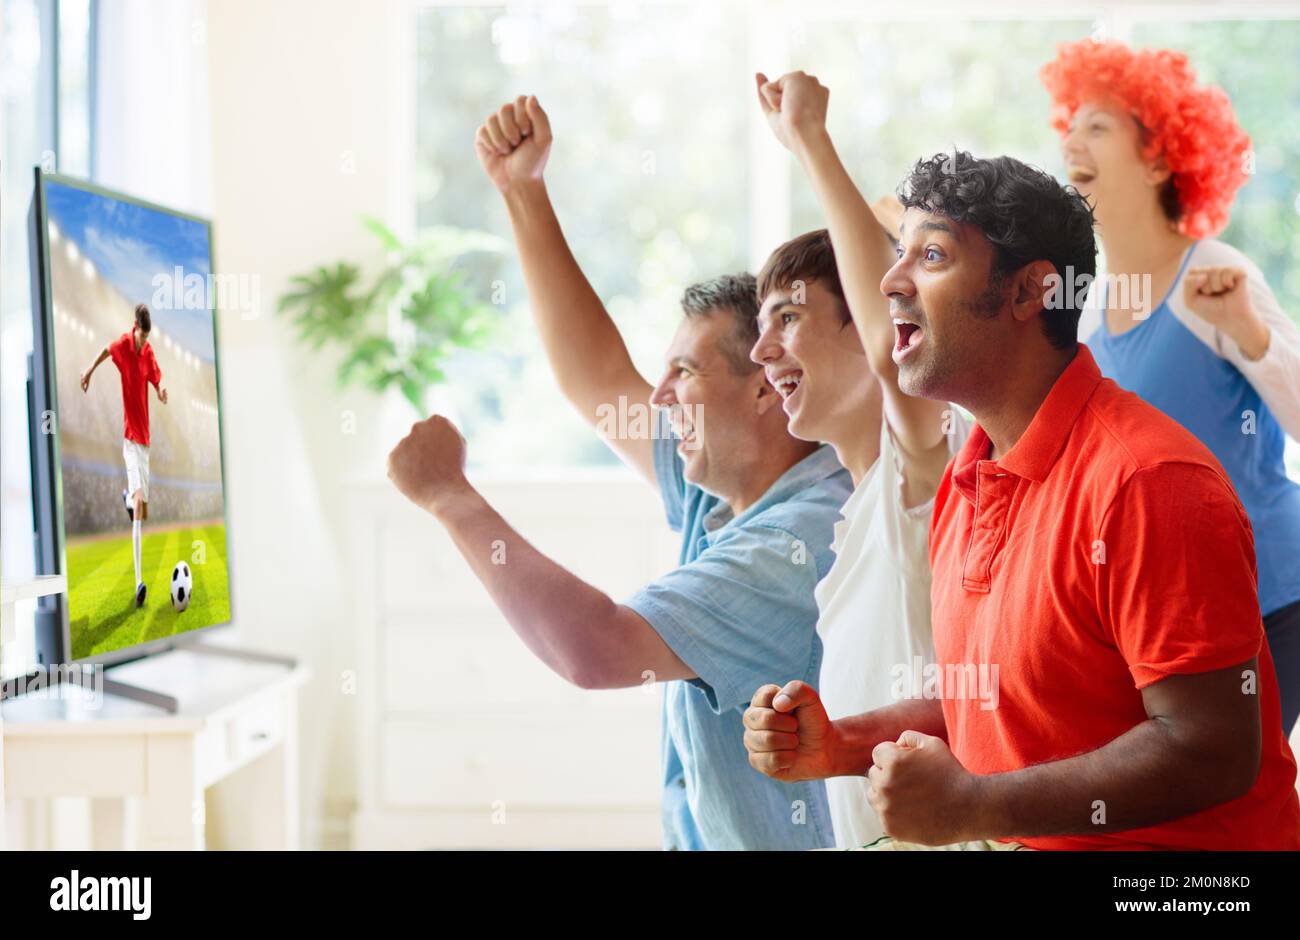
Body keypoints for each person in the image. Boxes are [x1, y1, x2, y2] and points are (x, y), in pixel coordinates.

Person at [743, 150, 1300, 850]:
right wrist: (840, 746)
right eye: (901, 253)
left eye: (933, 255)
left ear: (1031, 291)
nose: (891, 281)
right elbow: (995, 700)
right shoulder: (966, 480)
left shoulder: (1148, 480)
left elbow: (1210, 747)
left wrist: (975, 807)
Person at [387, 95, 851, 850]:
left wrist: (450, 496)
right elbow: (599, 378)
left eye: (684, 372)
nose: (659, 396)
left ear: (767, 382)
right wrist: (522, 189)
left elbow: (595, 649)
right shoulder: (726, 487)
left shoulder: (803, 531)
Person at [1042, 38, 1300, 737]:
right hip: (1163, 611)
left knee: (1234, 803)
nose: (1073, 140)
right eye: (1071, 126)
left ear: (1159, 157)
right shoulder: (1088, 309)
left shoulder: (1212, 271)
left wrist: (1248, 332)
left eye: (1099, 126)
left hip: (1269, 596)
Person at [747, 70, 968, 848]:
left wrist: (811, 141)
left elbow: (890, 337)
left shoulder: (922, 472)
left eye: (789, 317)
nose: (760, 349)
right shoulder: (858, 507)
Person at [80, 302, 168, 608]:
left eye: (147, 338)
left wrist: (161, 390)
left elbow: (157, 378)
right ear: (135, 327)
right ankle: (139, 582)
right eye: (141, 336)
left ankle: (128, 501)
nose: (143, 342)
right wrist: (89, 370)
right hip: (131, 438)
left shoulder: (149, 352)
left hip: (146, 442)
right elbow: (105, 351)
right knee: (140, 501)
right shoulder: (122, 344)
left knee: (142, 510)